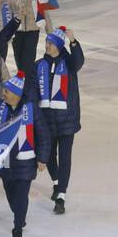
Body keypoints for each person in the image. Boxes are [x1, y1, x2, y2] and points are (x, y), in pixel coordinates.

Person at [0, 71, 52, 237]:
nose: (3, 94)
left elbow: (43, 134)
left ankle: (17, 228)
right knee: (10, 194)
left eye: (7, 91)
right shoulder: (1, 108)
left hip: (25, 160)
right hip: (5, 160)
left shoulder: (31, 109)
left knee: (20, 196)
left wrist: (43, 158)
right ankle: (19, 215)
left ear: (17, 94)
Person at [35, 26, 81, 215]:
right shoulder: (39, 65)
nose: (48, 46)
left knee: (65, 157)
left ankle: (61, 194)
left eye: (52, 43)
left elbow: (79, 60)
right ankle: (56, 182)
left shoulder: (69, 64)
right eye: (47, 42)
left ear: (60, 46)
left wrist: (73, 41)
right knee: (49, 156)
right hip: (46, 120)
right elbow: (33, 89)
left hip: (66, 120)